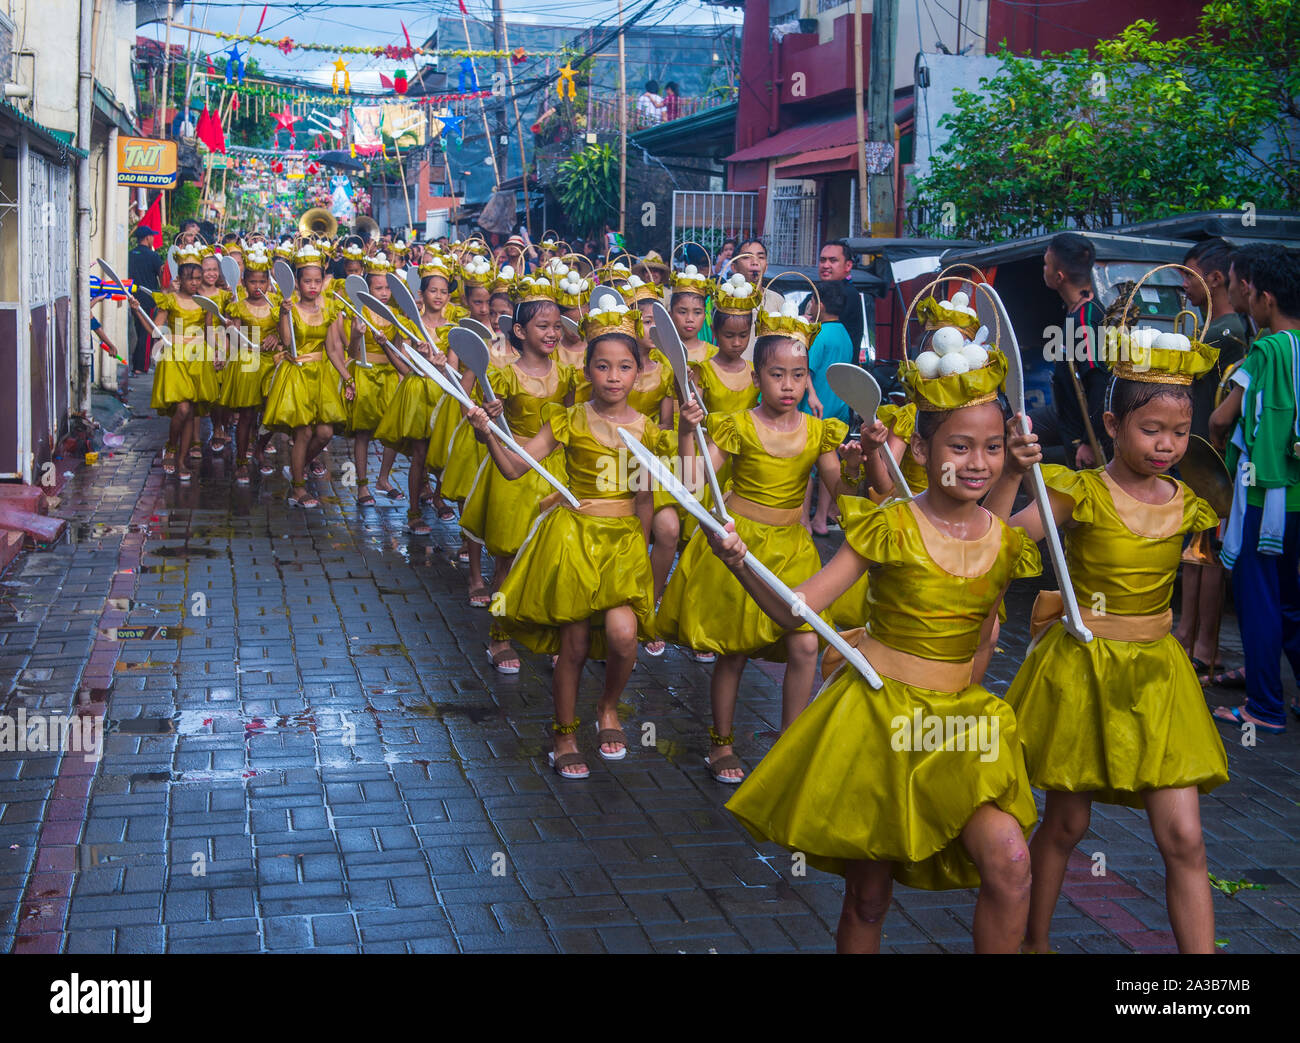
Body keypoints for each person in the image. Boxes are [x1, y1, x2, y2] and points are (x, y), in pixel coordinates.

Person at [706, 342, 1044, 952]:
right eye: (960, 447)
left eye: (992, 448)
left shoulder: (1007, 542)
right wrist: (740, 563)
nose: (977, 463)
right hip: (881, 723)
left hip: (961, 730)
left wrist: (1017, 472)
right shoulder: (889, 524)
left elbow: (986, 630)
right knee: (868, 898)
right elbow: (796, 610)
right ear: (921, 449)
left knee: (1013, 863)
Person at [990, 333, 1230, 954]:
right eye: (1151, 430)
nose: (1166, 446)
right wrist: (1014, 471)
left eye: (1179, 432)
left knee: (1185, 837)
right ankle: (1034, 943)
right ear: (1112, 425)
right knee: (1067, 821)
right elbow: (1002, 540)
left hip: (1158, 677)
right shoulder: (1080, 491)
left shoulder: (1192, 503)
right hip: (1086, 670)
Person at [465, 310, 695, 780]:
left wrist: (688, 430)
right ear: (586, 370)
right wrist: (486, 433)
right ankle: (564, 735)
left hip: (623, 546)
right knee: (571, 645)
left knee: (624, 635)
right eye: (603, 366)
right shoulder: (568, 420)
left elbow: (670, 488)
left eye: (625, 366)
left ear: (639, 370)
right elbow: (513, 469)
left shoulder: (649, 432)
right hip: (573, 542)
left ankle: (608, 707)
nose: (614, 376)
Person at [658, 315, 884, 784]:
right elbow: (693, 482)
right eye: (777, 374)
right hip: (740, 548)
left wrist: (859, 465)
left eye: (798, 375)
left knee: (804, 642)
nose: (788, 385)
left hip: (792, 549)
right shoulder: (737, 426)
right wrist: (685, 433)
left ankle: (789, 744)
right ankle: (721, 744)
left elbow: (841, 499)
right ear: (757, 377)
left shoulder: (820, 431)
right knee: (734, 650)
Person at [459, 275, 580, 674]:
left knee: (551, 557)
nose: (551, 333)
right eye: (542, 326)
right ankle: (499, 636)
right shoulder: (506, 375)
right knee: (508, 561)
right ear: (519, 331)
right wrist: (487, 419)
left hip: (555, 471)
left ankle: (546, 632)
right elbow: (482, 419)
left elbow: (568, 422)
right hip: (514, 468)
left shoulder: (567, 374)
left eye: (556, 325)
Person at [1209, 246, 1300, 732]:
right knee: (1290, 597)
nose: (1239, 293)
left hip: (1265, 495)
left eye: (1242, 286)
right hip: (1297, 494)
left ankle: (1263, 706)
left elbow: (1224, 416)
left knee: (1259, 597)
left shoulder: (1267, 348)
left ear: (1263, 296)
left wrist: (1216, 429)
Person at [1174, 238, 1250, 679]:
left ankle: (1205, 645)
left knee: (1210, 552)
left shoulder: (1228, 331)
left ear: (1216, 278)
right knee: (1197, 551)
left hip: (1214, 455)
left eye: (1189, 275)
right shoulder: (1213, 327)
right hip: (1198, 451)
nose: (1183, 286)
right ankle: (1188, 635)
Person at [263, 243, 352, 509]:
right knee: (302, 432)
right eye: (306, 281)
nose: (312, 286)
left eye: (317, 281)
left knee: (324, 433)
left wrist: (347, 376)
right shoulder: (291, 309)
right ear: (298, 283)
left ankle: (297, 469)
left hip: (321, 376)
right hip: (297, 374)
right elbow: (288, 341)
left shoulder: (328, 310)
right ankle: (298, 489)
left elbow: (333, 349)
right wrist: (283, 314)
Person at [1029, 232, 1108, 469]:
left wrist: (1089, 442)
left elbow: (1099, 384)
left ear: (1059, 276)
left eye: (1046, 264)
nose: (1043, 269)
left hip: (1081, 432)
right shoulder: (1078, 310)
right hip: (1063, 417)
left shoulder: (1085, 320)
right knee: (1018, 434)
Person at [214, 243, 281, 486]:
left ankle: (260, 448)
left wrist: (279, 336)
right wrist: (226, 346)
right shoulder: (239, 306)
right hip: (246, 362)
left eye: (262, 282)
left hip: (272, 362)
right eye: (252, 282)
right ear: (244, 282)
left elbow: (288, 331)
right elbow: (233, 336)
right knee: (246, 415)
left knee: (272, 414)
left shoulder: (277, 304)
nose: (257, 287)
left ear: (268, 283)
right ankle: (241, 462)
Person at [343, 253, 404, 513]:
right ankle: (362, 485)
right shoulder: (359, 312)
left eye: (388, 287)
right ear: (367, 288)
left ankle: (383, 478)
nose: (384, 293)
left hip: (389, 375)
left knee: (393, 434)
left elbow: (401, 351)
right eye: (378, 288)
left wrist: (402, 378)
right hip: (365, 374)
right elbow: (350, 350)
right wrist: (357, 336)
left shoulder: (397, 314)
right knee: (363, 434)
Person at [801, 281, 856, 535]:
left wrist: (811, 396)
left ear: (820, 304)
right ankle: (821, 519)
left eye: (812, 301)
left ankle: (803, 521)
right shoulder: (845, 335)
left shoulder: (820, 334)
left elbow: (805, 372)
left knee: (807, 468)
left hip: (816, 411)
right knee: (829, 467)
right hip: (839, 410)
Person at [818, 240, 865, 363]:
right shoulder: (820, 291)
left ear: (848, 266)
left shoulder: (847, 294)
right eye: (822, 260)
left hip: (838, 371)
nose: (826, 265)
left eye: (833, 260)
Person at [127, 226, 163, 375]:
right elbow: (161, 276)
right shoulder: (153, 256)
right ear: (148, 237)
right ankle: (141, 366)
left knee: (136, 330)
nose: (153, 239)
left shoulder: (130, 254)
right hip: (148, 299)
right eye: (152, 236)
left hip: (132, 297)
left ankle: (136, 364)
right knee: (146, 334)